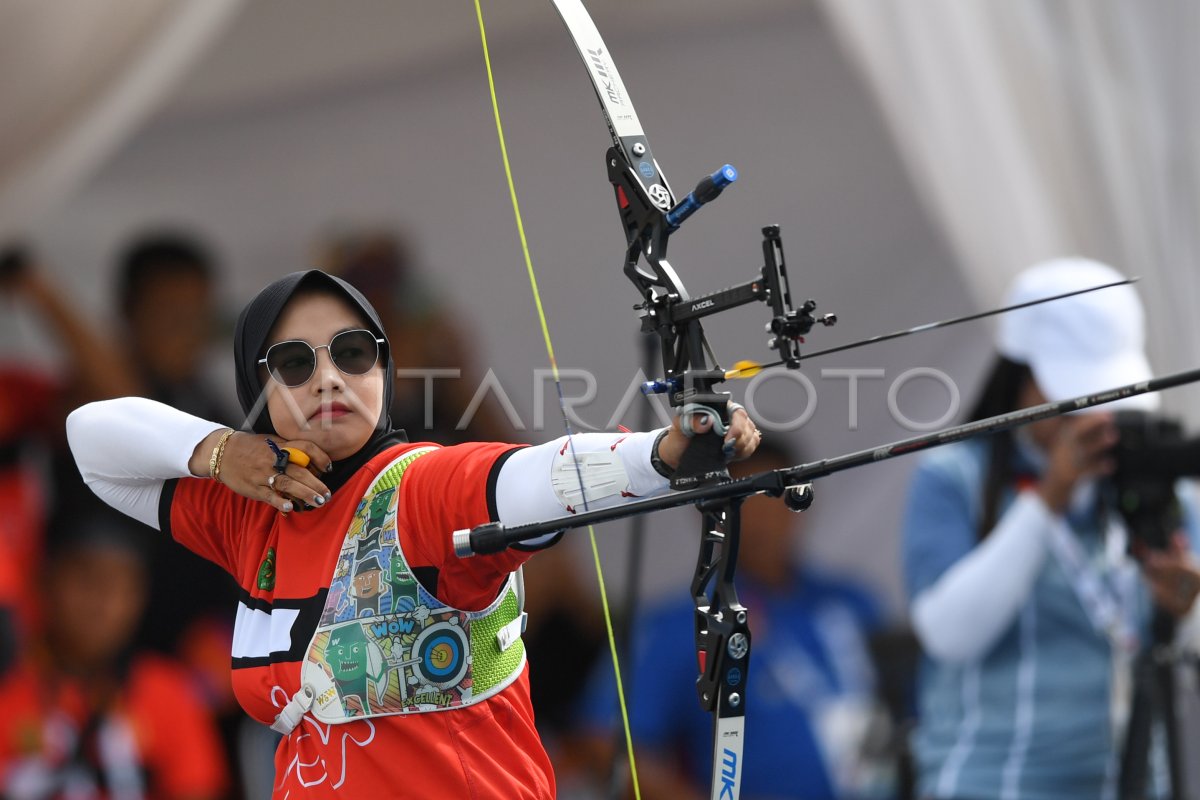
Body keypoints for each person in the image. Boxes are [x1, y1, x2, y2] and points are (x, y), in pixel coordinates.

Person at [65, 269, 760, 798]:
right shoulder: (251, 510)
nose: (328, 377)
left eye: (352, 353)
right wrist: (220, 450)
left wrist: (663, 455)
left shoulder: (421, 490)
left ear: (383, 367)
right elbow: (91, 442)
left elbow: (535, 479)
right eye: (295, 364)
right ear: (259, 388)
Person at [901, 257, 1200, 800]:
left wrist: (1175, 613)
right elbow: (947, 633)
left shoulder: (1161, 487)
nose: (1094, 420)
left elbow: (1171, 647)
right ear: (1023, 380)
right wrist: (1050, 498)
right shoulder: (954, 475)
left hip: (1133, 779)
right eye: (1076, 398)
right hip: (994, 783)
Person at [578, 439, 893, 800]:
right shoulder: (680, 623)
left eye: (771, 495)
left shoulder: (854, 603)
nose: (756, 515)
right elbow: (606, 744)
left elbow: (919, 713)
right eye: (737, 499)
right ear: (706, 512)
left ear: (802, 501)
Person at [0, 506, 228, 800]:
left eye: (121, 585)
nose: (102, 601)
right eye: (86, 577)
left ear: (141, 597)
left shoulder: (169, 694)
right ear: (46, 580)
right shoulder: (9, 685)